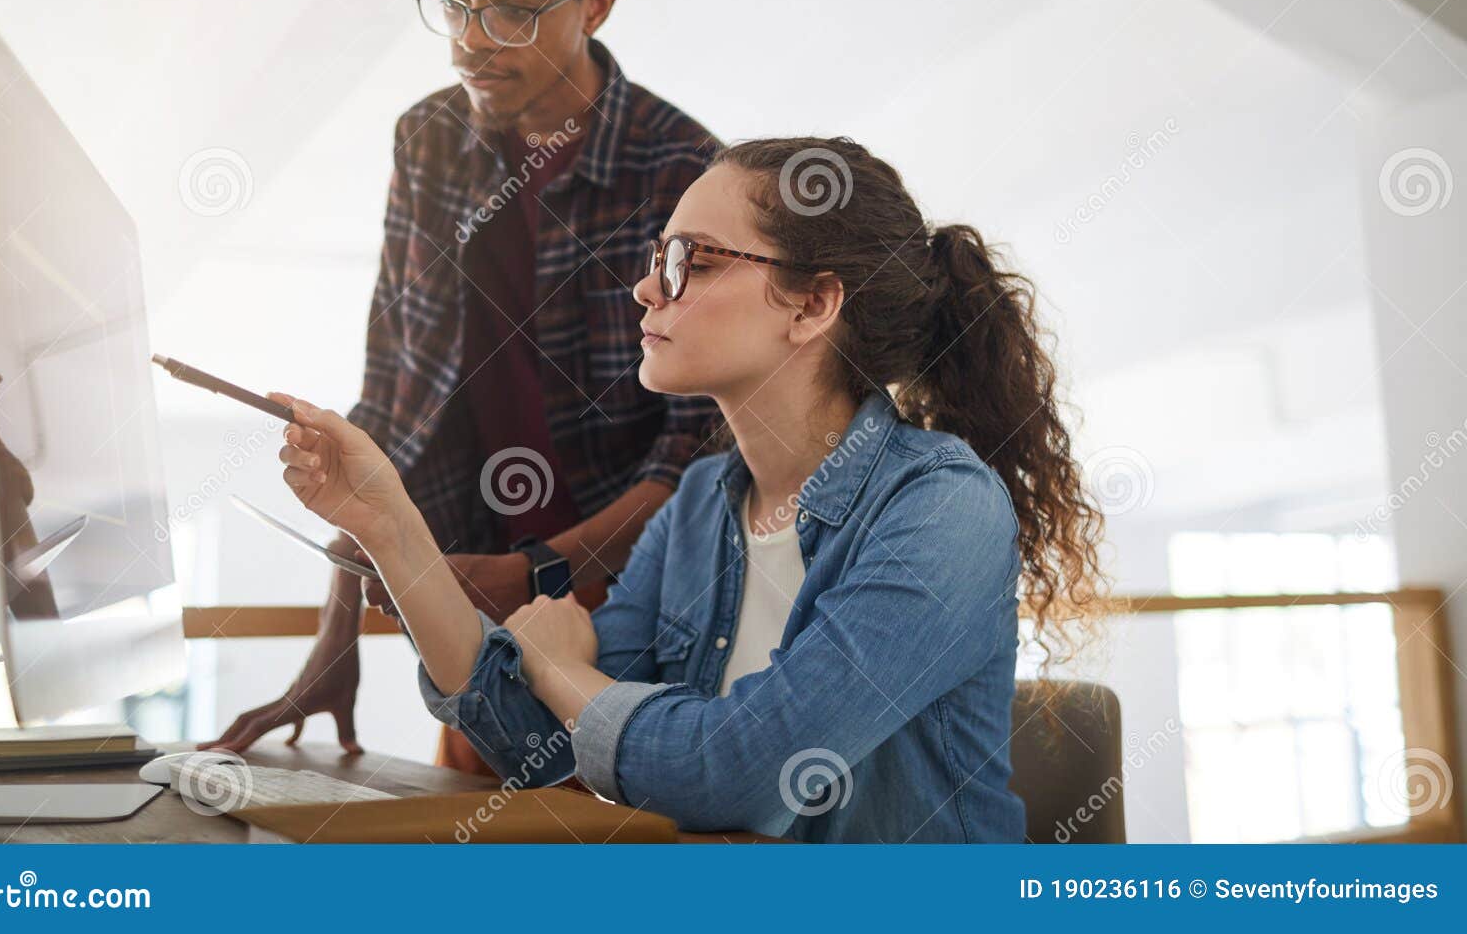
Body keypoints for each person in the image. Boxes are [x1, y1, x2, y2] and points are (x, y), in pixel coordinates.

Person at [267, 136, 1108, 841]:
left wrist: (563, 667)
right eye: (657, 260)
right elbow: (531, 737)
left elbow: (745, 769)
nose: (646, 288)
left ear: (812, 305)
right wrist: (392, 527)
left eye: (689, 261)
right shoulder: (702, 502)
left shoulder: (941, 508)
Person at [202, 0, 721, 772]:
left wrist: (540, 570)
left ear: (596, 3)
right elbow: (393, 400)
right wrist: (334, 635)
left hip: (643, 627)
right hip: (475, 615)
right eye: (455, 3)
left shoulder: (685, 172)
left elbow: (700, 457)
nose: (473, 38)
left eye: (516, 11)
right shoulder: (429, 141)